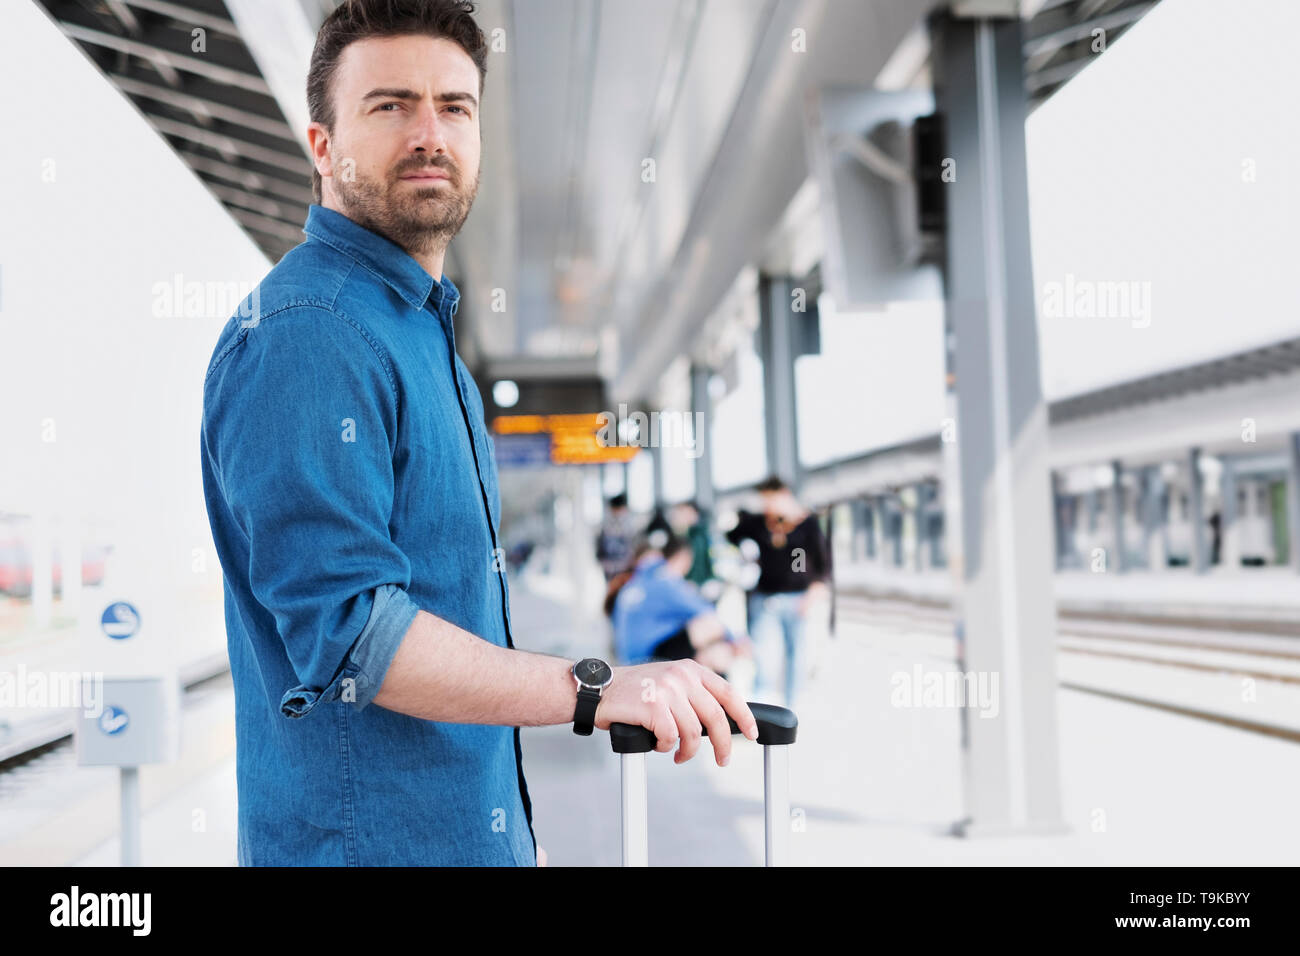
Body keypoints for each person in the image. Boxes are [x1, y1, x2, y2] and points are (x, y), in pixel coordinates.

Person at [199, 0, 758, 868]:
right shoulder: (307, 334)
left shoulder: (424, 340)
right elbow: (355, 636)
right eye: (389, 106)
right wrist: (597, 688)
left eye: (454, 107)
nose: (430, 133)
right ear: (321, 148)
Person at [725, 475, 830, 710]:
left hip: (798, 599)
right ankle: (764, 708)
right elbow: (730, 536)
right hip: (766, 600)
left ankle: (793, 707)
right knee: (765, 656)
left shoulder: (807, 525)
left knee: (798, 656)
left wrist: (813, 594)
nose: (768, 506)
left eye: (771, 500)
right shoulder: (758, 523)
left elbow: (824, 567)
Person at [611, 535, 748, 675]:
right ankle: (716, 686)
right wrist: (735, 639)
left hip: (627, 659)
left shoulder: (635, 582)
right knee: (709, 628)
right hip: (650, 657)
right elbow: (702, 611)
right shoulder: (664, 580)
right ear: (683, 558)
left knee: (701, 639)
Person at [595, 493, 638, 581]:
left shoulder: (631, 525)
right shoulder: (605, 526)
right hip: (610, 568)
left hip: (626, 567)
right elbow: (599, 547)